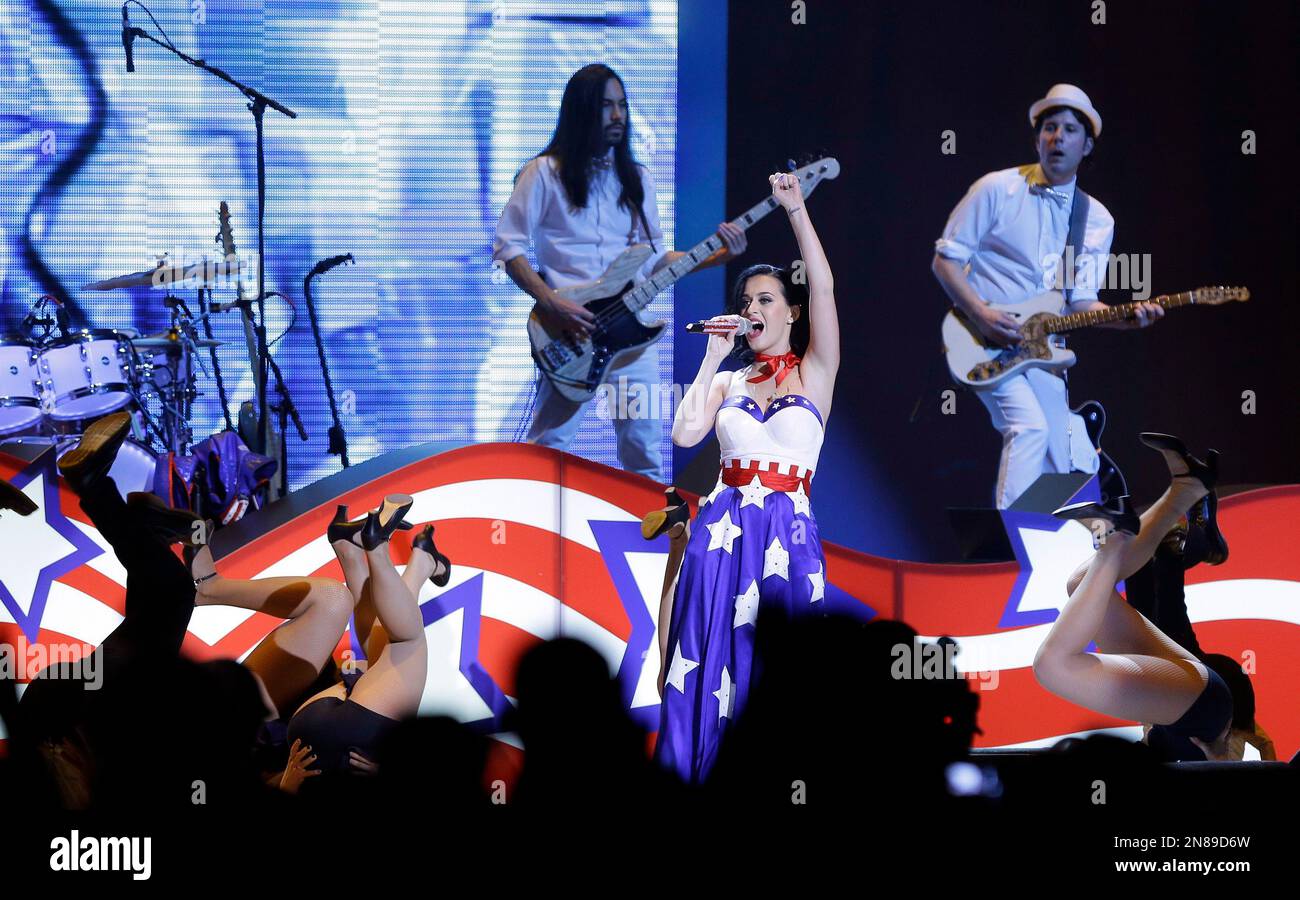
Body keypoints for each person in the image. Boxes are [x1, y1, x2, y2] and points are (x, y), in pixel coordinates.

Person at [654, 170, 839, 783]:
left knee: (777, 672)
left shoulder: (814, 371)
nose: (752, 310)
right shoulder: (731, 379)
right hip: (721, 529)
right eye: (745, 302)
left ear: (791, 312)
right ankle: (693, 779)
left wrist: (795, 211)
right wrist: (711, 358)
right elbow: (684, 436)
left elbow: (825, 283)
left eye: (765, 300)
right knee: (702, 658)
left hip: (785, 535)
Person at [493, 63, 745, 481]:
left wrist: (718, 256)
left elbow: (654, 260)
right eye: (606, 106)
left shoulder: (637, 179)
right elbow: (508, 246)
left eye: (623, 106)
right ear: (582, 112)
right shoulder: (543, 174)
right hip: (570, 332)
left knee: (643, 452)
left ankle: (653, 544)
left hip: (630, 339)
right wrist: (552, 302)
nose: (618, 116)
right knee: (548, 448)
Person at [931, 84, 1165, 508]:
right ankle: (1007, 545)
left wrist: (1125, 317)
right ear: (1038, 138)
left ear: (1087, 144)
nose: (1058, 137)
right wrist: (982, 315)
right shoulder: (996, 189)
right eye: (1050, 128)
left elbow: (1080, 302)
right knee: (1029, 427)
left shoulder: (1094, 219)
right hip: (980, 342)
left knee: (1067, 466)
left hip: (1041, 349)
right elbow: (945, 261)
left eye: (1070, 129)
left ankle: (1036, 549)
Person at [188, 495, 451, 789]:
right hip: (317, 748)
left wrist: (284, 785)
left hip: (302, 739)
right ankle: (395, 555)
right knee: (400, 644)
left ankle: (385, 553)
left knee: (339, 603)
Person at [1033, 433, 1233, 760]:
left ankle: (1186, 489)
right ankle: (1112, 543)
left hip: (1193, 703)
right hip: (1197, 718)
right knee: (1053, 666)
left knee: (1081, 583)